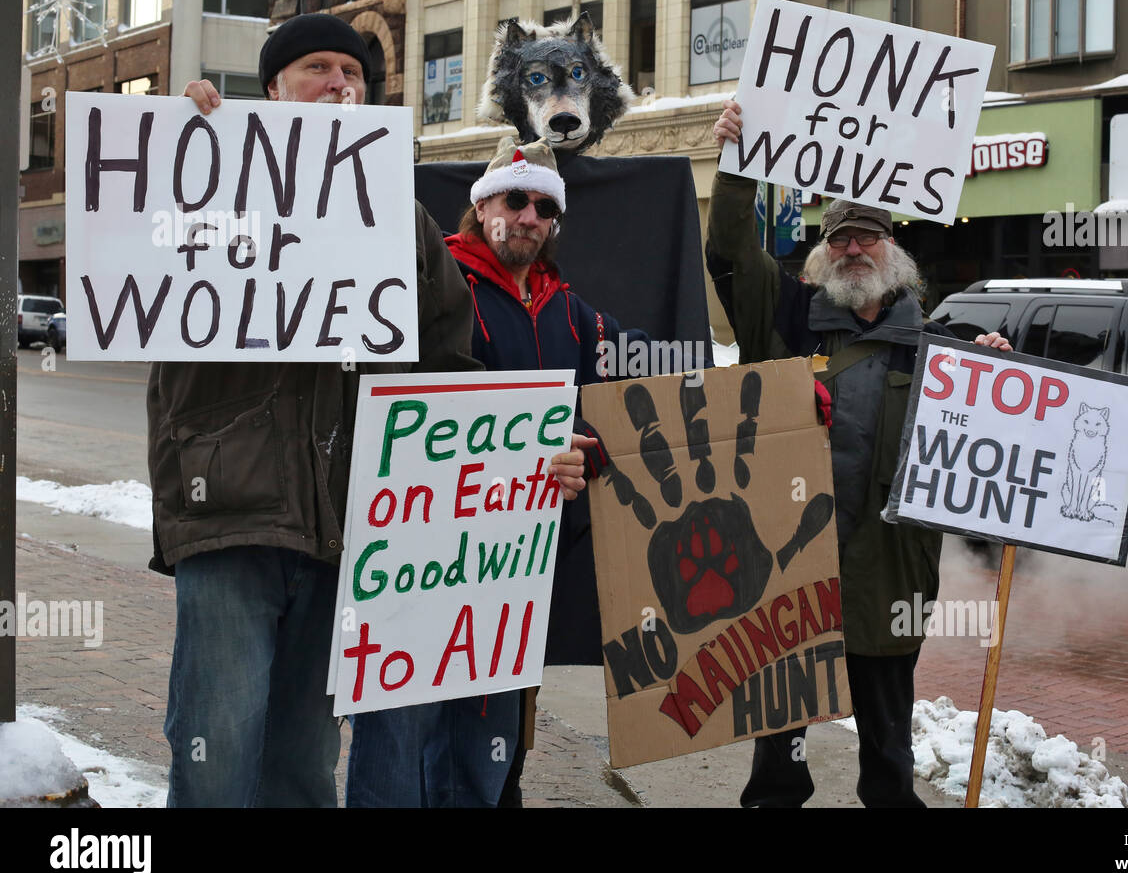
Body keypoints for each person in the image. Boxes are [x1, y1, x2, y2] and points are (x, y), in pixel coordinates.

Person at [154, 14, 588, 807]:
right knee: (214, 757)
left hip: (346, 527)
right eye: (317, 67)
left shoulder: (399, 220)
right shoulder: (206, 174)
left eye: (352, 74)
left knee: (303, 762)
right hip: (230, 520)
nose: (340, 84)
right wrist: (180, 138)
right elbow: (141, 274)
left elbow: (452, 373)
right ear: (274, 89)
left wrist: (522, 457)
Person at [708, 100, 1010, 807]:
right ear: (821, 253)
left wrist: (999, 371)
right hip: (792, 571)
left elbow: (985, 439)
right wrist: (734, 165)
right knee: (779, 749)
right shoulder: (780, 319)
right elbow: (728, 249)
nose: (851, 249)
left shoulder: (942, 346)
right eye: (839, 238)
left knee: (889, 752)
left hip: (889, 579)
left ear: (892, 251)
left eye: (866, 237)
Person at [345, 136, 653, 807]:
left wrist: (586, 451)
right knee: (404, 738)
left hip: (513, 568)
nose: (530, 216)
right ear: (482, 206)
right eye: (515, 199)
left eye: (545, 206)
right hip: (421, 556)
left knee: (490, 750)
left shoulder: (572, 312)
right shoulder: (434, 280)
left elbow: (624, 399)